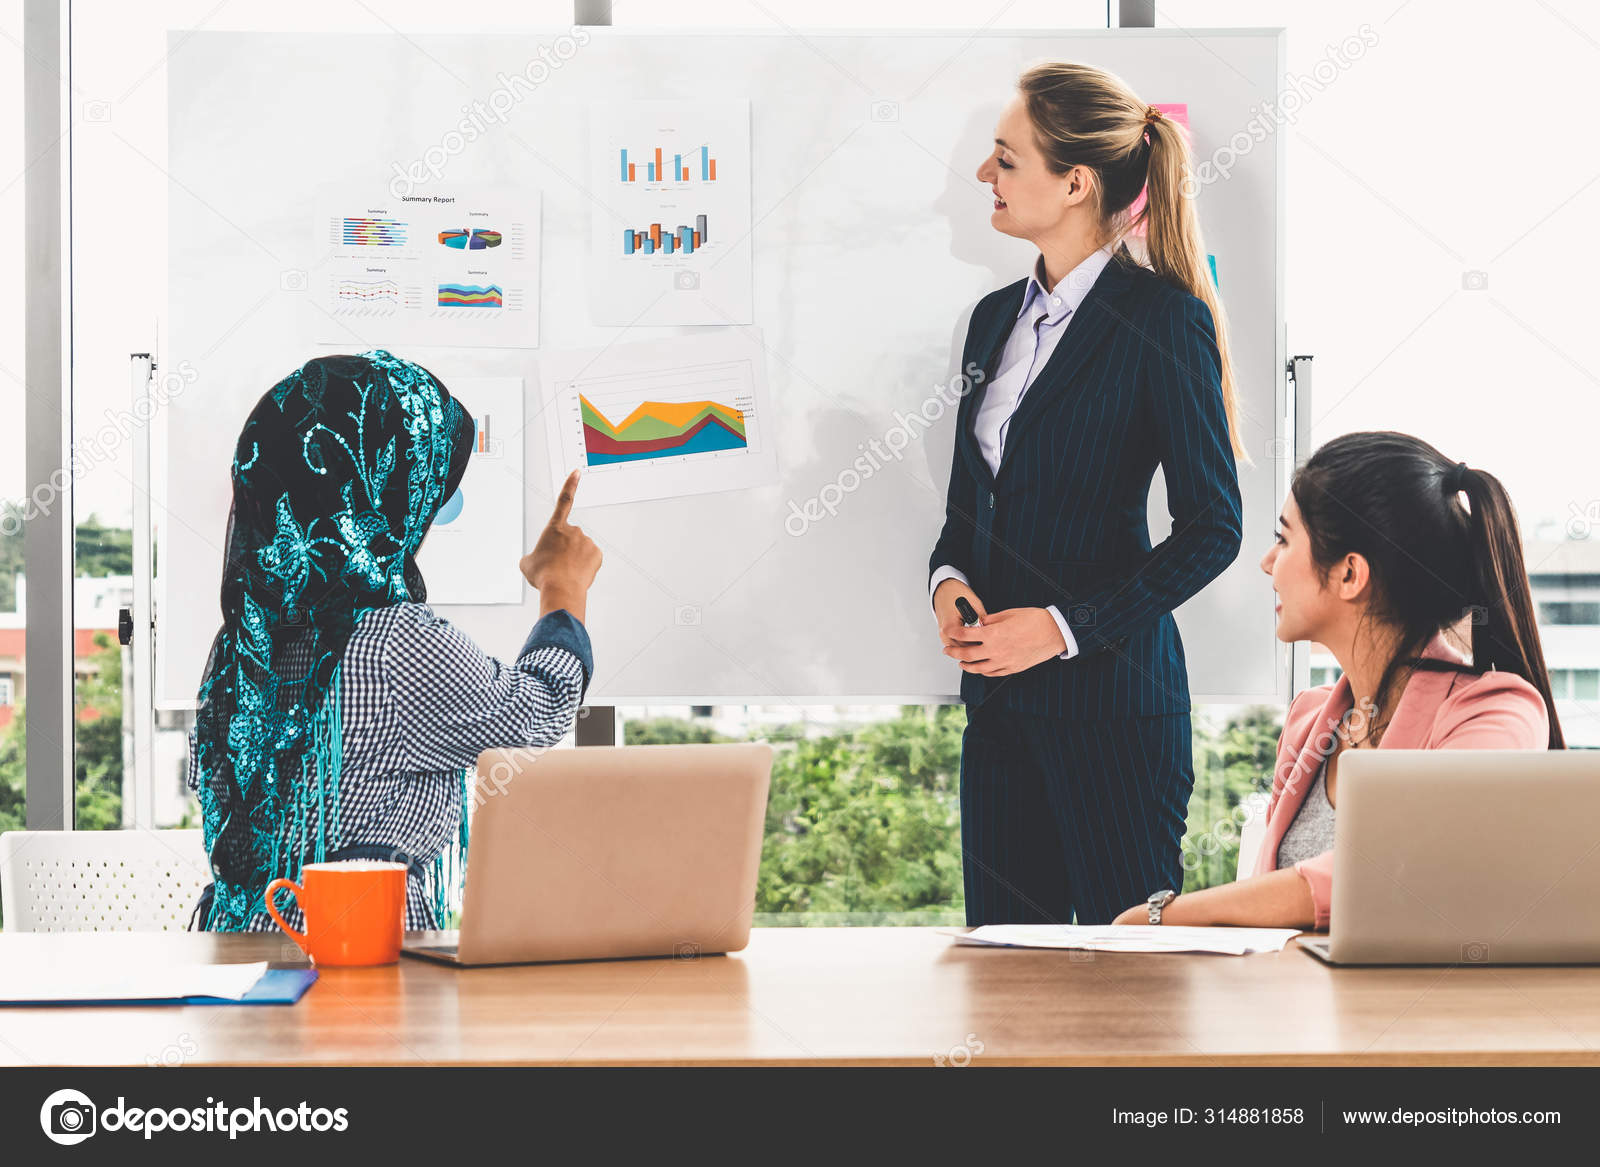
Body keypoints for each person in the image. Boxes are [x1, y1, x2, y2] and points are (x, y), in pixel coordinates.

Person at [930, 62, 1243, 925]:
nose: (985, 174)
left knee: (1132, 979)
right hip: (1000, 714)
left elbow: (1214, 527)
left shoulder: (1162, 319)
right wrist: (949, 583)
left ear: (1076, 183)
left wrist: (1062, 628)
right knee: (1005, 971)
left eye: (1005, 159)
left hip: (1115, 716)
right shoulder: (993, 320)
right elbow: (967, 508)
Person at [187, 350, 603, 932]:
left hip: (240, 947)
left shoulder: (240, 645)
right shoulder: (392, 642)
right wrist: (563, 585)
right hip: (354, 946)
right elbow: (537, 711)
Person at [1111, 432, 1562, 930]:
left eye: (1284, 540)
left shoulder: (1497, 713)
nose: (1267, 563)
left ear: (1350, 574)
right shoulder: (1309, 720)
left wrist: (1167, 914)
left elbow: (1404, 865)